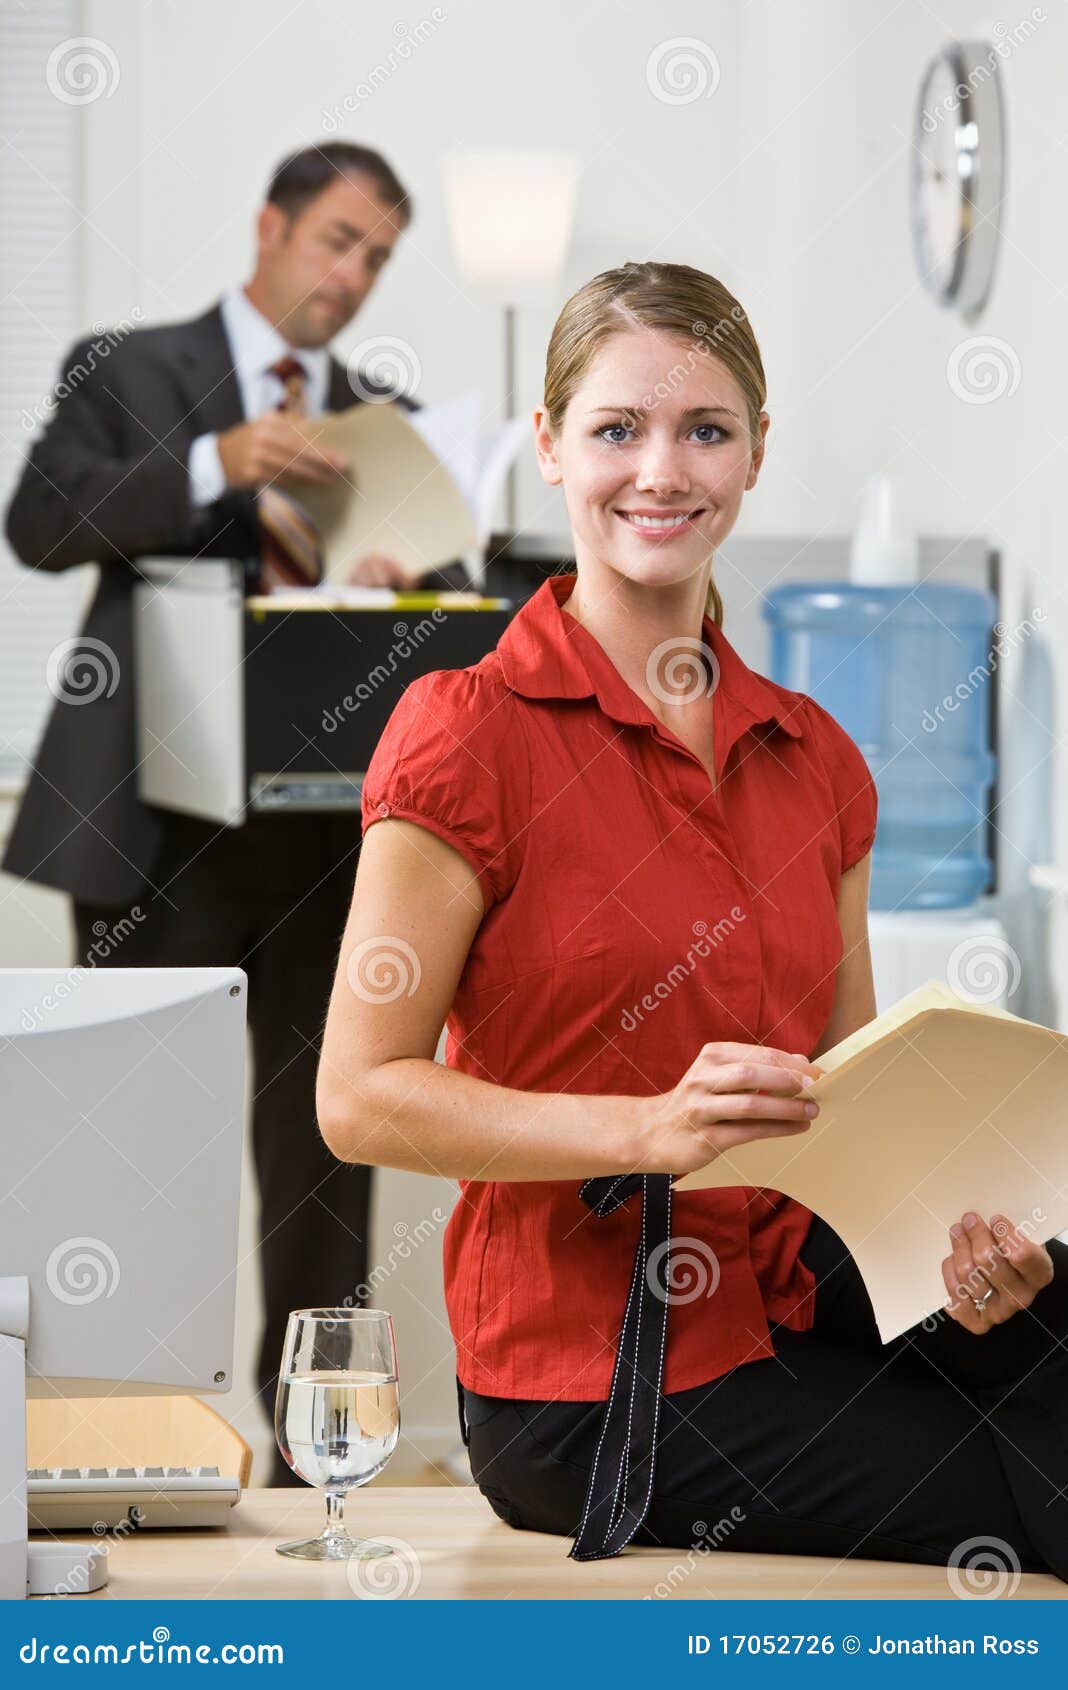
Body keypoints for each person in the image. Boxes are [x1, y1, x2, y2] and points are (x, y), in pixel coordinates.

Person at [315, 260, 1068, 1579]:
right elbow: (359, 1096)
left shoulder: (817, 754)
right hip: (590, 1377)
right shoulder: (465, 736)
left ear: (756, 453)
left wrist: (959, 1255)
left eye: (705, 431)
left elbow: (847, 1103)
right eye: (617, 429)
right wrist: (645, 1129)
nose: (661, 472)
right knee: (1034, 1477)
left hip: (796, 1289)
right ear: (548, 447)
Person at [4, 141, 465, 1484]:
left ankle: (310, 1449)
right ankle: (129, 1444)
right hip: (157, 827)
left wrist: (396, 575)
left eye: (376, 257)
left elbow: (446, 595)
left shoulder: (384, 410)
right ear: (268, 225)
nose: (353, 275)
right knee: (144, 1146)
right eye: (337, 239)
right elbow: (38, 520)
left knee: (330, 1143)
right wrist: (215, 460)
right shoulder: (128, 366)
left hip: (333, 837)